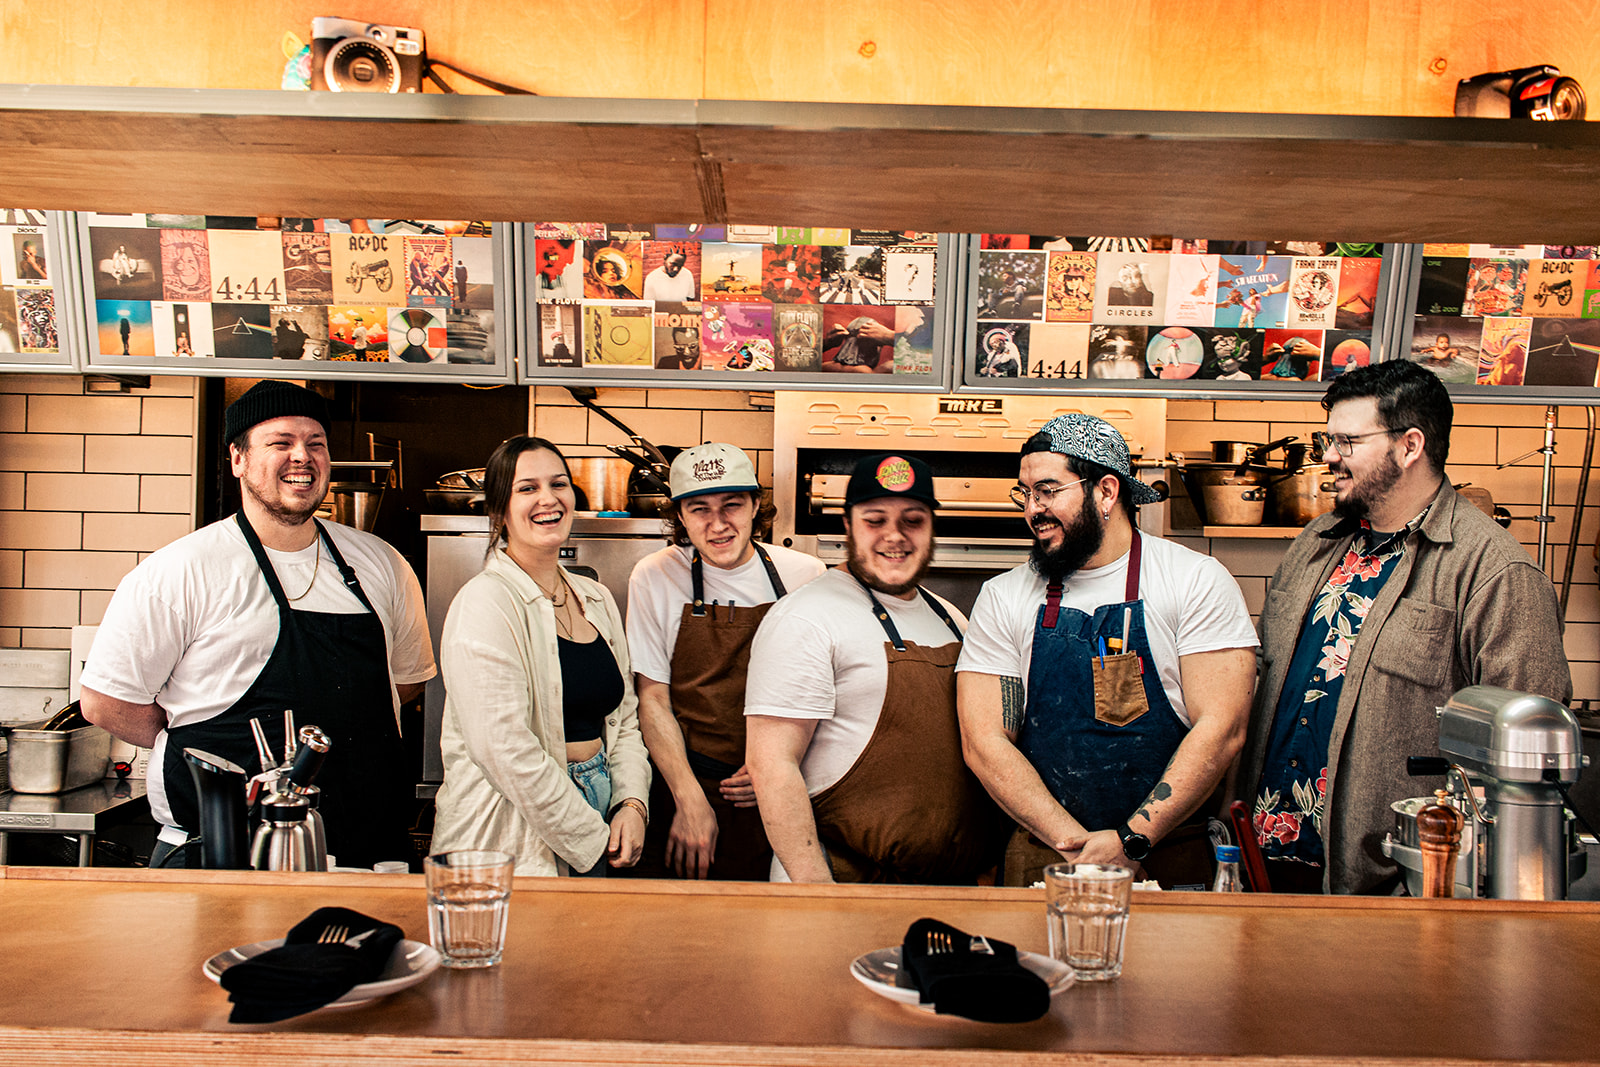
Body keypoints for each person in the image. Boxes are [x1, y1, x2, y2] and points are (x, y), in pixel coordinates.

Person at [1237, 360, 1572, 894]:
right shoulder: (1315, 542)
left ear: (1410, 445)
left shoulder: (1495, 572)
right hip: (1263, 863)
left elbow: (1525, 764)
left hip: (1390, 884)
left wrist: (1430, 879)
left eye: (1347, 442)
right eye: (1329, 440)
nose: (1329, 456)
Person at [79, 380, 435, 869]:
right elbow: (106, 703)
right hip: (220, 853)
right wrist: (199, 736)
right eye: (280, 442)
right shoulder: (180, 570)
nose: (302, 456)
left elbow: (408, 682)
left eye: (315, 443)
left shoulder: (382, 563)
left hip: (365, 857)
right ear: (238, 459)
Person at [956, 414, 1258, 888]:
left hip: (1171, 853)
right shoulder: (1004, 596)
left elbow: (1222, 729)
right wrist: (1078, 848)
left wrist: (1133, 839)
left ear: (1106, 492)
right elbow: (985, 742)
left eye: (1048, 491)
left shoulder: (1195, 581)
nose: (1032, 510)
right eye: (1025, 493)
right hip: (1046, 855)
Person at [745, 454, 1001, 884]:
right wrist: (819, 893)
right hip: (843, 882)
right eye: (875, 520)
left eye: (913, 520)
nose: (894, 535)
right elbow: (771, 765)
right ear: (848, 525)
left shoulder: (950, 617)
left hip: (943, 887)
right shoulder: (805, 617)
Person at [431, 436, 650, 876]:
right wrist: (591, 836)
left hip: (600, 805)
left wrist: (631, 803)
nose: (548, 499)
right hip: (508, 833)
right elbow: (503, 748)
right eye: (527, 488)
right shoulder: (485, 602)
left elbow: (624, 718)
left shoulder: (596, 597)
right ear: (499, 510)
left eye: (558, 484)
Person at [624, 444, 825, 879]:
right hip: (686, 781)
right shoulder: (655, 575)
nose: (717, 524)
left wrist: (779, 764)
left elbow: (823, 694)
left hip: (782, 786)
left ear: (755, 505)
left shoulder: (806, 575)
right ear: (680, 517)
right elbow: (652, 698)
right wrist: (689, 800)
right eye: (699, 509)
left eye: (731, 505)